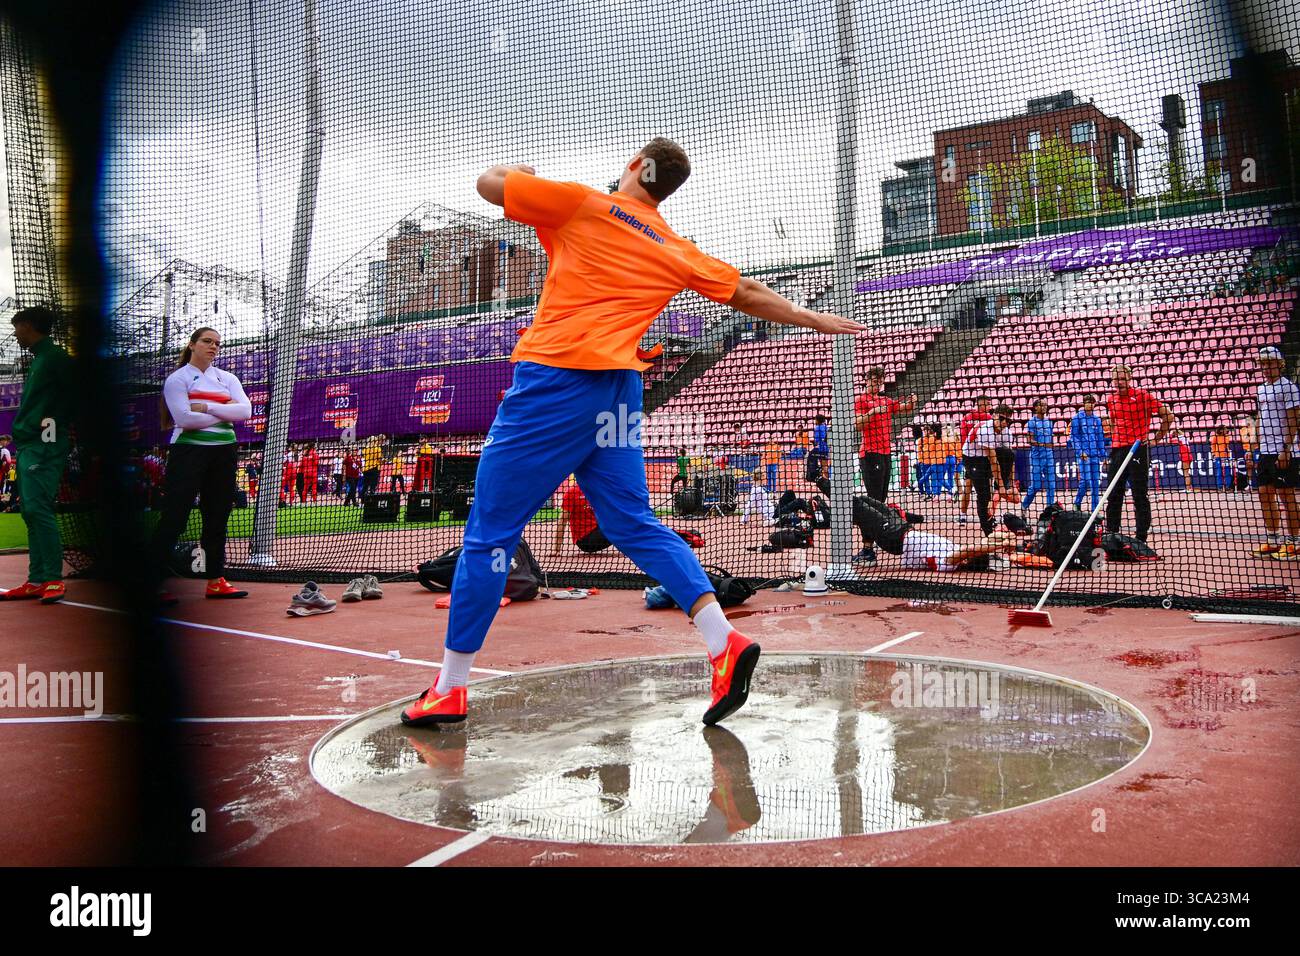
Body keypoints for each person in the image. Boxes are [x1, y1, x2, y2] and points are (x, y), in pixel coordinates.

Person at [400, 139, 865, 729]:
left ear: (638, 168)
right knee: (631, 524)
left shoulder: (582, 204)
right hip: (620, 392)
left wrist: (522, 170)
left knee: (490, 535)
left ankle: (450, 687)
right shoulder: (673, 247)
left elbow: (489, 184)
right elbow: (746, 293)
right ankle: (722, 641)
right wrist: (812, 318)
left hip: (555, 384)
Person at [147, 326, 251, 600]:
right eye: (207, 341)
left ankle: (215, 579)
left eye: (217, 343)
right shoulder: (178, 379)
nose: (213, 346)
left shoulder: (227, 378)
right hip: (189, 452)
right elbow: (184, 419)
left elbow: (246, 411)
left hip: (224, 452)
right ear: (192, 344)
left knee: (217, 516)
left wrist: (206, 407)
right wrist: (224, 410)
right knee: (175, 517)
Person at [0, 307, 76, 604]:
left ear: (28, 325)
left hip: (44, 444)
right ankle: (36, 579)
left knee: (38, 509)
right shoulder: (41, 359)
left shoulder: (55, 358)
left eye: (17, 327)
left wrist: (50, 430)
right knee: (31, 511)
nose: (15, 333)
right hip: (32, 443)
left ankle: (53, 578)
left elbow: (74, 396)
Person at [853, 366, 917, 564]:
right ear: (866, 380)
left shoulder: (885, 399)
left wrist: (912, 402)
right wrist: (873, 412)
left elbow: (903, 408)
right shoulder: (861, 399)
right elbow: (857, 424)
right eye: (873, 380)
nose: (876, 384)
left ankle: (872, 547)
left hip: (885, 454)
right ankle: (867, 548)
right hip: (870, 454)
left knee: (880, 501)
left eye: (879, 381)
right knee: (872, 502)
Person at [853, 495, 1016, 572]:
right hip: (902, 528)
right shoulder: (957, 549)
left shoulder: (949, 563)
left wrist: (1001, 545)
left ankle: (826, 495)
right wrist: (1010, 539)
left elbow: (972, 549)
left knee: (855, 504)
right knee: (863, 500)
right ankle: (867, 552)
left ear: (969, 560)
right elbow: (987, 541)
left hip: (894, 539)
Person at [1104, 363, 1173, 544]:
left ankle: (1141, 537)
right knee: (1113, 493)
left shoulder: (1143, 397)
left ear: (1129, 379)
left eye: (1122, 379)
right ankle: (1111, 534)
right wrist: (1114, 442)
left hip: (1137, 449)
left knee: (1139, 494)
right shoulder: (1111, 400)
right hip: (1118, 450)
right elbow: (1113, 422)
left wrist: (1156, 439)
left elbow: (1168, 416)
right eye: (1115, 379)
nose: (1118, 382)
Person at [1250, 346, 1299, 560]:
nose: (1266, 368)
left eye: (1270, 363)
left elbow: (1294, 419)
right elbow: (1260, 417)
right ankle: (1272, 540)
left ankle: (1295, 542)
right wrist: (1255, 443)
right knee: (1264, 493)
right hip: (1265, 450)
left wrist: (1286, 449)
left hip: (1283, 450)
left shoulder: (1288, 388)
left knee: (1286, 496)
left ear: (1279, 365)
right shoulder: (1261, 390)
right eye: (1263, 364)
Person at [961, 404, 1016, 535]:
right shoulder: (985, 430)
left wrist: (1011, 484)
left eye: (1008, 421)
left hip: (985, 458)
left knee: (1009, 454)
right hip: (972, 458)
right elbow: (993, 460)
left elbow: (1008, 459)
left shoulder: (1007, 433)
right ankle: (988, 530)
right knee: (984, 494)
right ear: (994, 416)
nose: (1004, 423)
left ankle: (999, 487)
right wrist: (1001, 486)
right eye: (1002, 418)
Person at [957, 395, 992, 524]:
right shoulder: (988, 419)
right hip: (981, 458)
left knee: (969, 486)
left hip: (971, 458)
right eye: (988, 404)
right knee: (985, 488)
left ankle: (963, 515)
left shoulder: (967, 418)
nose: (990, 406)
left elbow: (963, 439)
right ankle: (986, 515)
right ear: (981, 404)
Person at [1069, 394, 1106, 512]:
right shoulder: (1077, 418)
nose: (1090, 404)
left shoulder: (1097, 420)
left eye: (1092, 402)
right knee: (1086, 481)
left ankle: (1094, 510)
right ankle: (1077, 502)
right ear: (1083, 404)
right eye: (1087, 402)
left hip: (1095, 455)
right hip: (1083, 455)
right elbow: (1074, 437)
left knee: (1095, 484)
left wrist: (1103, 455)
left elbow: (1100, 438)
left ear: (1094, 404)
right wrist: (1080, 452)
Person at [1021, 399, 1056, 515]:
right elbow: (1029, 440)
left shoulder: (1049, 422)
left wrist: (1049, 446)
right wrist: (1042, 444)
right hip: (1036, 457)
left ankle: (1049, 510)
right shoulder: (1032, 422)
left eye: (1046, 405)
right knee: (1036, 486)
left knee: (1051, 485)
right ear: (1036, 407)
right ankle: (1024, 506)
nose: (1045, 407)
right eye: (1042, 405)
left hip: (1049, 456)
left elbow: (1050, 440)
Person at [805, 414, 829, 486]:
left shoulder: (817, 428)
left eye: (815, 419)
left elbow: (816, 440)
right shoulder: (826, 427)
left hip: (820, 448)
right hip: (826, 448)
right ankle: (826, 479)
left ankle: (814, 475)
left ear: (818, 420)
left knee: (813, 457)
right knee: (825, 465)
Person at [1210, 425, 1232, 493]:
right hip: (1218, 456)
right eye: (1225, 429)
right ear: (1221, 430)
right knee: (1219, 472)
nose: (1227, 430)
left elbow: (1227, 446)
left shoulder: (1227, 437)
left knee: (1227, 471)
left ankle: (1227, 487)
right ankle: (1220, 487)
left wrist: (1228, 453)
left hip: (1226, 456)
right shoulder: (1215, 437)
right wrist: (1213, 453)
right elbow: (1213, 445)